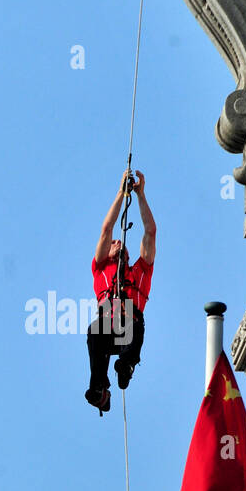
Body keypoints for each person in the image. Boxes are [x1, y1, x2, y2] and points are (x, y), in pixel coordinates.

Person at [85, 170, 156, 414]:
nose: (117, 242)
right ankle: (98, 385)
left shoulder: (140, 273)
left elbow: (150, 232)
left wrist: (140, 196)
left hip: (129, 328)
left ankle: (125, 366)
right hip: (107, 328)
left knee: (134, 326)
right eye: (114, 243)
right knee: (94, 331)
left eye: (119, 244)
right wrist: (120, 193)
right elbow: (107, 228)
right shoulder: (100, 269)